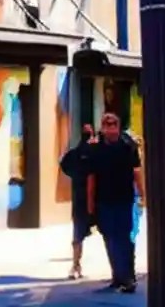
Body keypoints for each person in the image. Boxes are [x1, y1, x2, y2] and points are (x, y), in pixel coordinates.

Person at [88, 112, 143, 294]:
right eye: (107, 125)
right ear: (102, 128)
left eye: (113, 125)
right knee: (110, 239)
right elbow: (92, 177)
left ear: (118, 127)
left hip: (125, 199)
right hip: (104, 200)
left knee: (125, 239)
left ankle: (128, 277)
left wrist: (143, 194)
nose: (110, 128)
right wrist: (90, 202)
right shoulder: (96, 150)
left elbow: (137, 172)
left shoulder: (128, 146)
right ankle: (118, 276)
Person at [60, 123, 98, 279]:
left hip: (79, 197)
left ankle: (76, 264)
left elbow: (64, 164)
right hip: (97, 198)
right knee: (110, 234)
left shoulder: (74, 154)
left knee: (78, 234)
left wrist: (75, 176)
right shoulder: (95, 153)